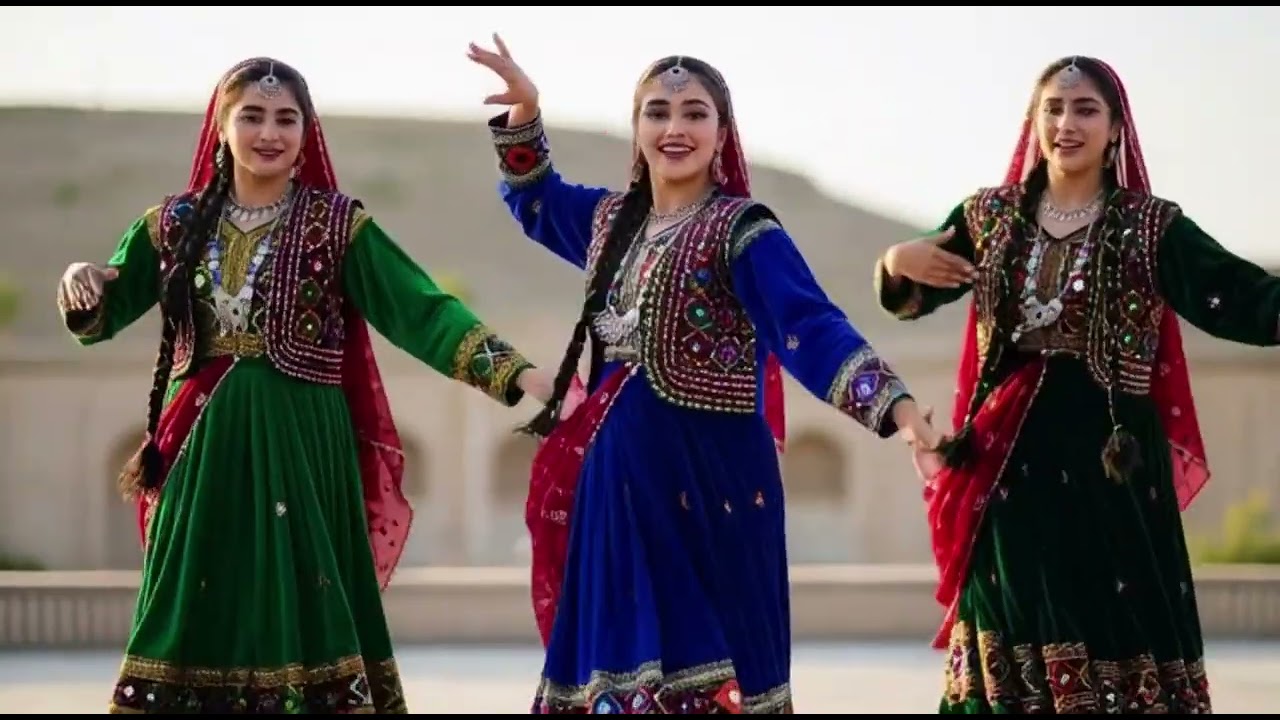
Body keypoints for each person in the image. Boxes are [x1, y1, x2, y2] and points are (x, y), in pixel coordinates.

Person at [55, 57, 565, 715]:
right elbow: (102, 314)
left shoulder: (336, 224)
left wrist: (521, 374)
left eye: (286, 119)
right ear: (221, 127)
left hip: (303, 449)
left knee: (306, 605)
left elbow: (421, 309)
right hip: (204, 455)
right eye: (253, 116)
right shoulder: (172, 224)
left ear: (306, 131)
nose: (270, 131)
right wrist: (83, 281)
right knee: (190, 606)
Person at [467, 37, 943, 714]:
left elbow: (810, 324)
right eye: (657, 112)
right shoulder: (609, 222)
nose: (675, 128)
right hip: (616, 480)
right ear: (637, 130)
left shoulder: (740, 230)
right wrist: (525, 113)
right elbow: (535, 200)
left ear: (722, 133)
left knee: (711, 655)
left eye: (695, 113)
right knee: (617, 664)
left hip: (709, 479)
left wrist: (895, 407)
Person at [876, 55, 1280, 714]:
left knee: (1114, 625)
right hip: (1005, 472)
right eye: (1054, 110)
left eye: (1085, 109)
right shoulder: (989, 217)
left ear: (1116, 128)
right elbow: (915, 290)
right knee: (1011, 634)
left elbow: (1239, 297)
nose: (1067, 124)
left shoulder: (1152, 227)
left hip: (1112, 473)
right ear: (1033, 124)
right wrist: (895, 262)